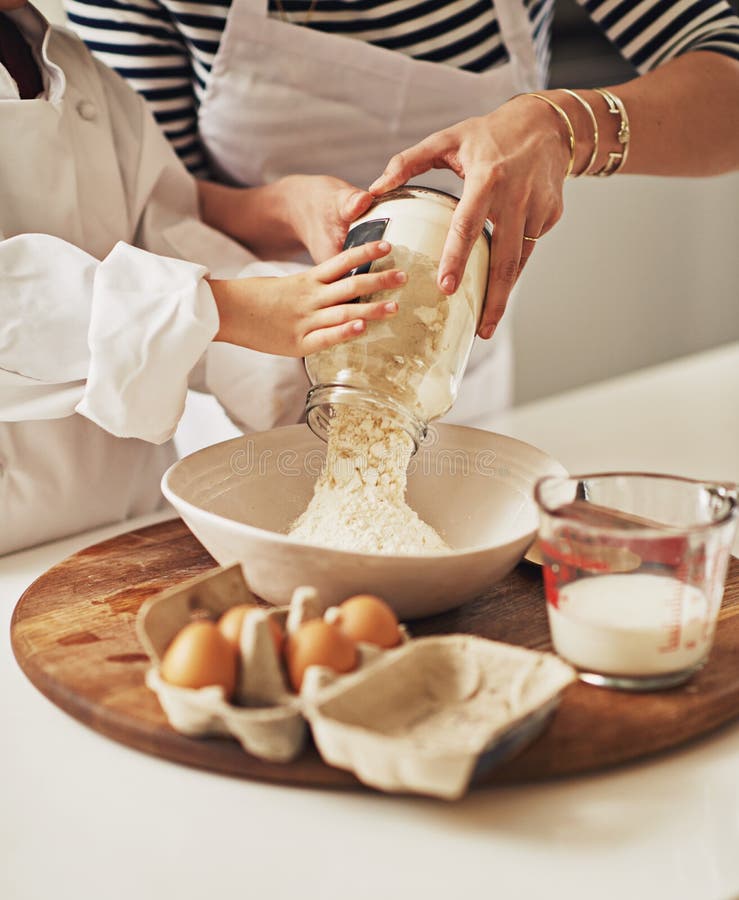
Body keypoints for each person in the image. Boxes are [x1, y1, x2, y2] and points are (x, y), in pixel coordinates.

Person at [63, 0, 739, 421]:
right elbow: (155, 194)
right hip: (238, 377)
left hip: (453, 371)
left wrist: (564, 123)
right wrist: (285, 206)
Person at [0, 0, 404, 554]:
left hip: (135, 525)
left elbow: (167, 232)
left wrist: (318, 358)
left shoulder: (67, 62)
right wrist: (228, 309)